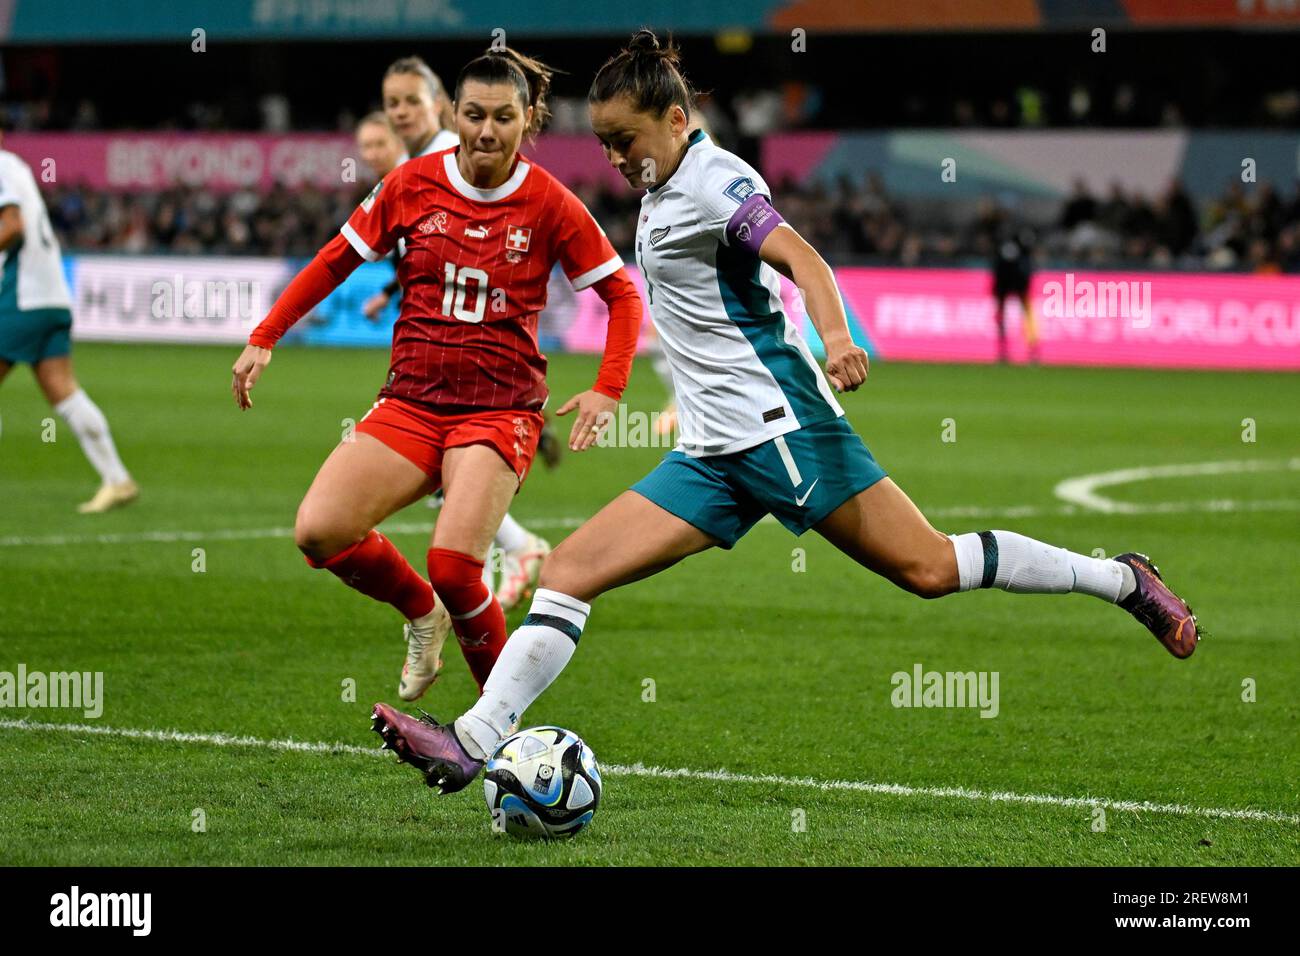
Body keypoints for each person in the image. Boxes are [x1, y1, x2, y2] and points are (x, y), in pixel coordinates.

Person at [371, 30, 1203, 795]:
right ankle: (475, 739)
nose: (617, 158)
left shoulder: (716, 179)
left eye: (626, 140)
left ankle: (1123, 580)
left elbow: (800, 255)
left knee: (929, 570)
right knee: (569, 573)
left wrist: (836, 338)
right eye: (605, 144)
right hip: (711, 455)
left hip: (782, 431)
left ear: (675, 117)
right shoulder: (663, 190)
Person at [231, 47, 642, 705]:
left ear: (528, 118)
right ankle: (423, 613)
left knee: (456, 565)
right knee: (319, 530)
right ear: (454, 113)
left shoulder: (550, 203)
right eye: (474, 114)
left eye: (503, 117)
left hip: (497, 411)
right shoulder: (409, 183)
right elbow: (335, 260)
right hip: (411, 403)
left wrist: (609, 387)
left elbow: (623, 295)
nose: (486, 130)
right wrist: (265, 336)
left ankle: (500, 729)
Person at [362, 61, 556, 610]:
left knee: (453, 475)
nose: (400, 112)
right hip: (434, 349)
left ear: (440, 106)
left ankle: (491, 576)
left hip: (477, 358)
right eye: (391, 101)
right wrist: (389, 292)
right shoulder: (418, 165)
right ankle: (511, 554)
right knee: (448, 475)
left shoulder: (459, 154)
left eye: (410, 101)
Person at [0, 125, 137, 513]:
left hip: (23, 298)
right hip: (53, 296)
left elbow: (12, 225)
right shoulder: (18, 167)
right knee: (64, 389)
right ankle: (117, 479)